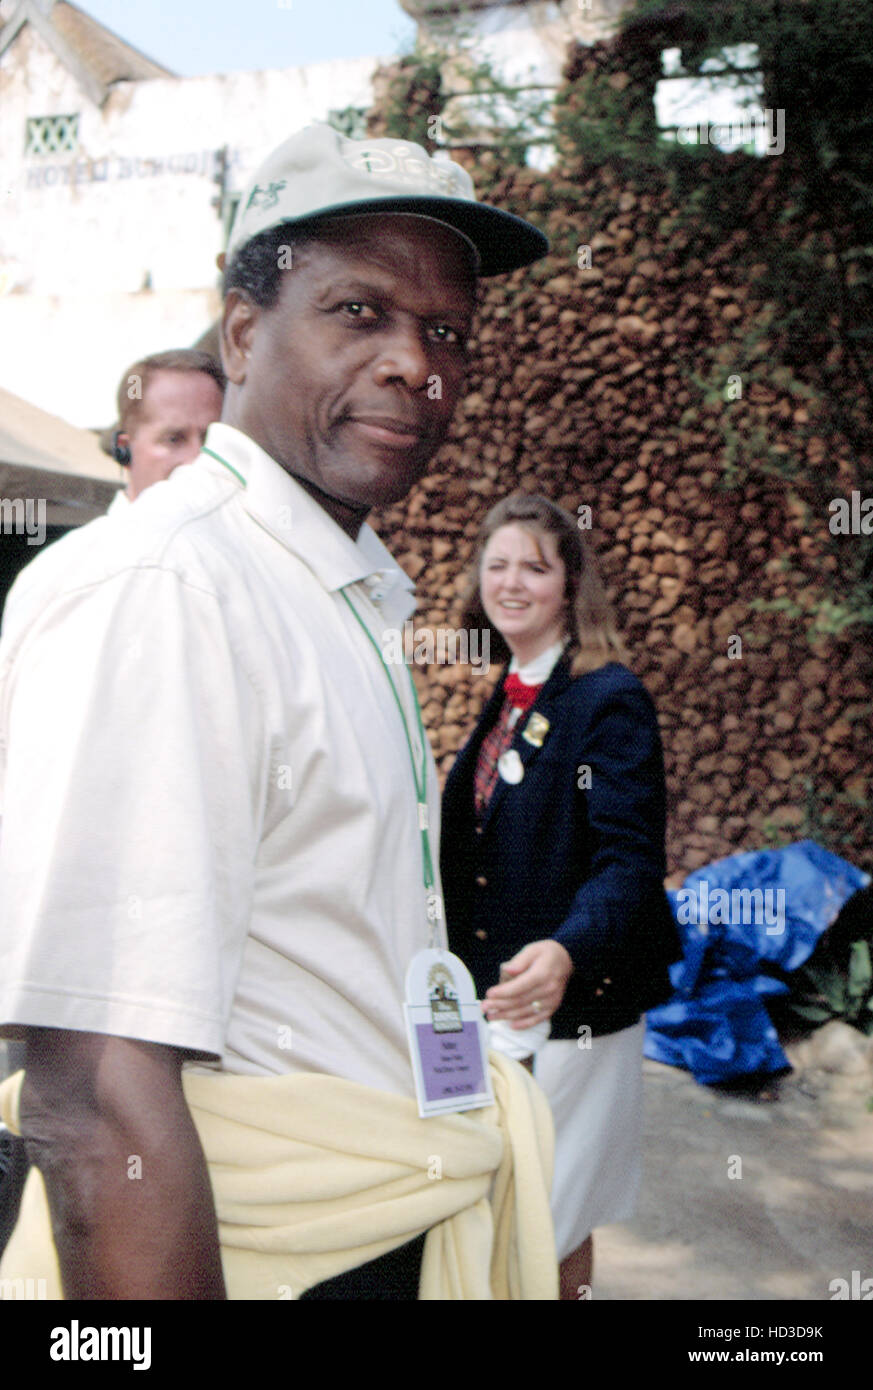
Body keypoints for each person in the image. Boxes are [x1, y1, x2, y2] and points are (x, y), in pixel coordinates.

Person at [0, 125, 557, 1301]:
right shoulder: (164, 587)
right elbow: (97, 1083)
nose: (417, 362)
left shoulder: (336, 585)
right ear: (245, 334)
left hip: (383, 1217)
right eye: (361, 312)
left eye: (445, 329)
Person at [440, 493, 682, 1301]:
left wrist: (568, 949)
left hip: (575, 1010)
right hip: (495, 1006)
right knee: (500, 1212)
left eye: (533, 568)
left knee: (550, 1218)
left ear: (569, 586)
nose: (510, 583)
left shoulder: (605, 695)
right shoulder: (506, 695)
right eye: (497, 564)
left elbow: (628, 862)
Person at [107, 347, 225, 507]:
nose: (198, 459)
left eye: (209, 439)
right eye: (174, 439)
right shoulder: (99, 533)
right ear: (124, 450)